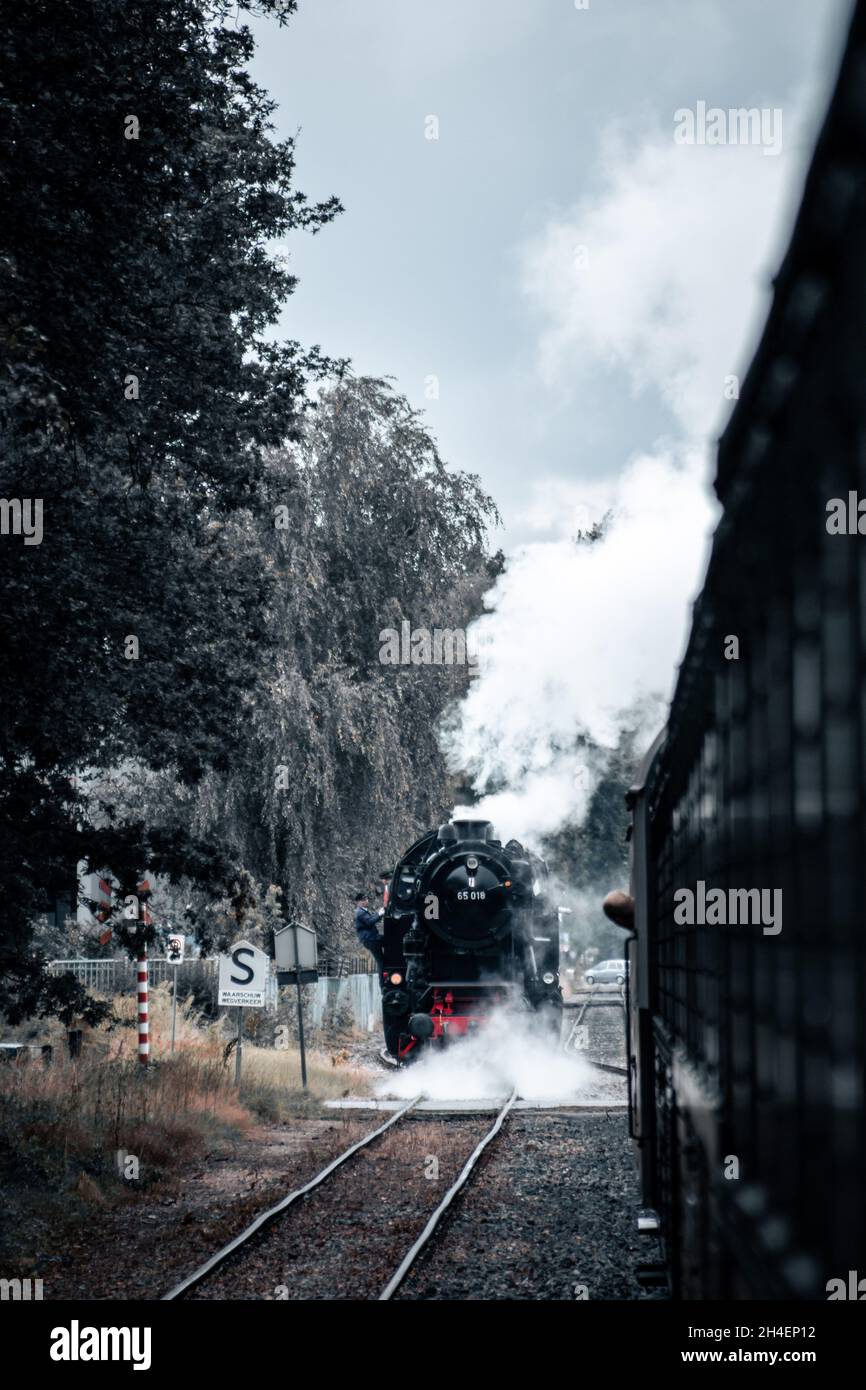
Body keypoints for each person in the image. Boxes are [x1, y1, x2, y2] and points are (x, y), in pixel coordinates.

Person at [354, 892, 384, 969]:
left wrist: (379, 914)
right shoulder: (360, 912)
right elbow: (369, 921)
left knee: (381, 961)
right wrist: (379, 914)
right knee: (381, 961)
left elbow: (371, 918)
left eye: (366, 899)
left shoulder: (362, 911)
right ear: (359, 902)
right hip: (371, 939)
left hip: (370, 939)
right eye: (364, 899)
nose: (366, 900)